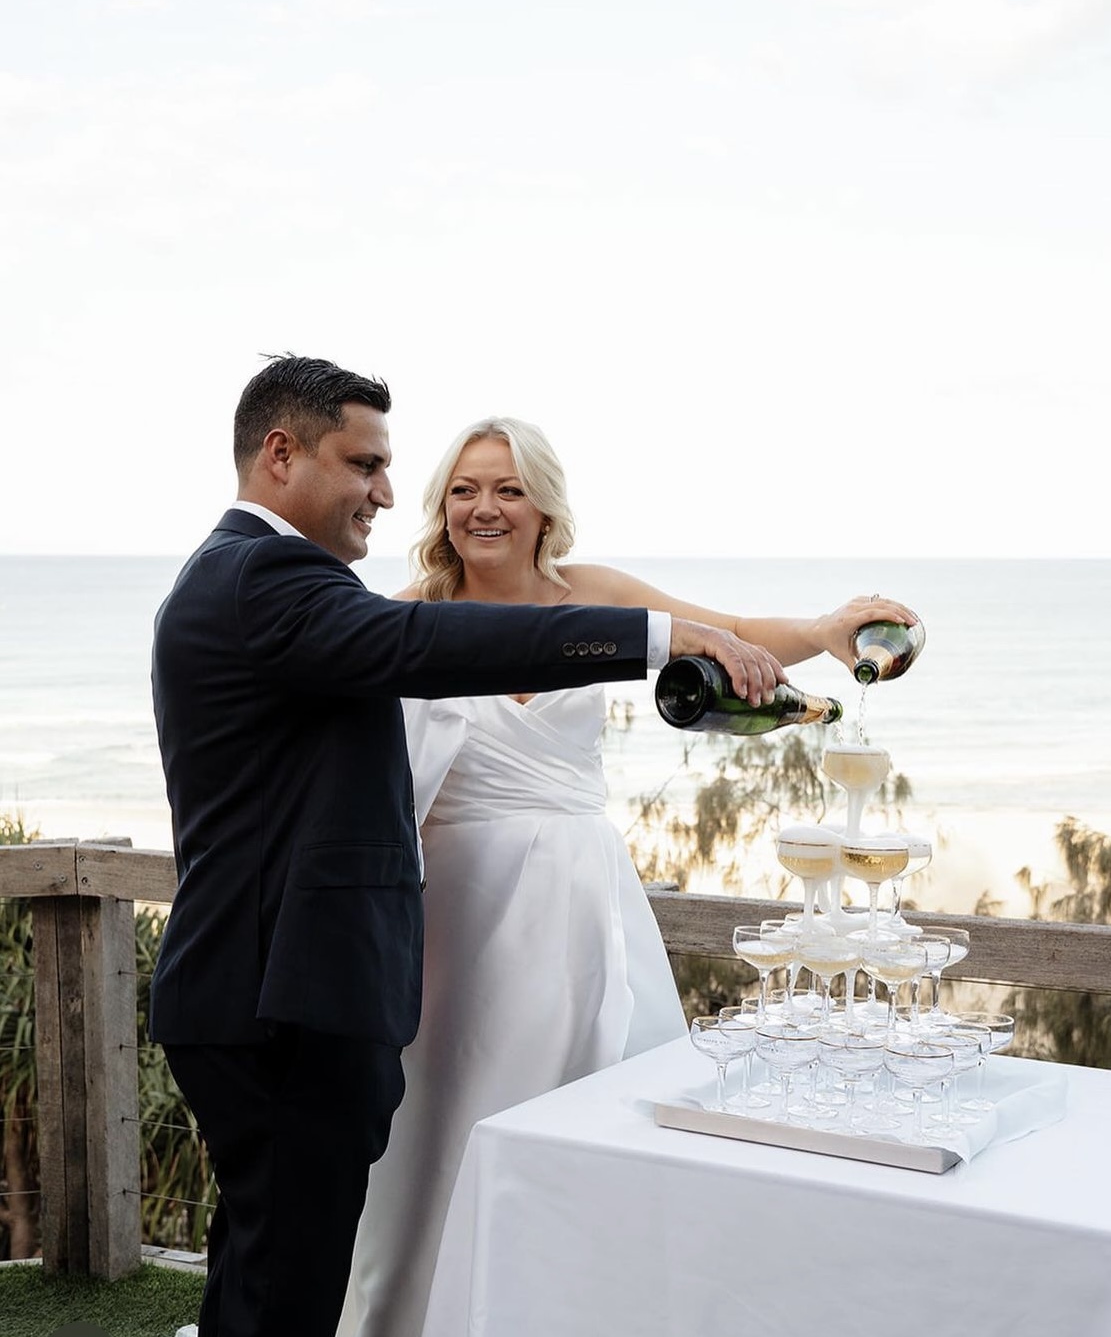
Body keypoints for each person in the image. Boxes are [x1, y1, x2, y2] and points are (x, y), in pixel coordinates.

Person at [151, 359, 783, 1337]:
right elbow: (432, 649)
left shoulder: (238, 575)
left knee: (264, 1271)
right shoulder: (271, 578)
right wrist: (663, 639)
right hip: (279, 1001)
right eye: (363, 464)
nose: (386, 493)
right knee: (290, 1291)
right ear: (281, 454)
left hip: (269, 988)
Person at [338, 416, 918, 1337]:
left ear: (542, 506)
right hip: (456, 908)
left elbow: (721, 635)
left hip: (581, 897)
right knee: (444, 1110)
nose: (484, 508)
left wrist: (819, 630)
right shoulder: (407, 615)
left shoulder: (591, 594)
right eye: (464, 490)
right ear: (440, 506)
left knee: (598, 1107)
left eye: (507, 488)